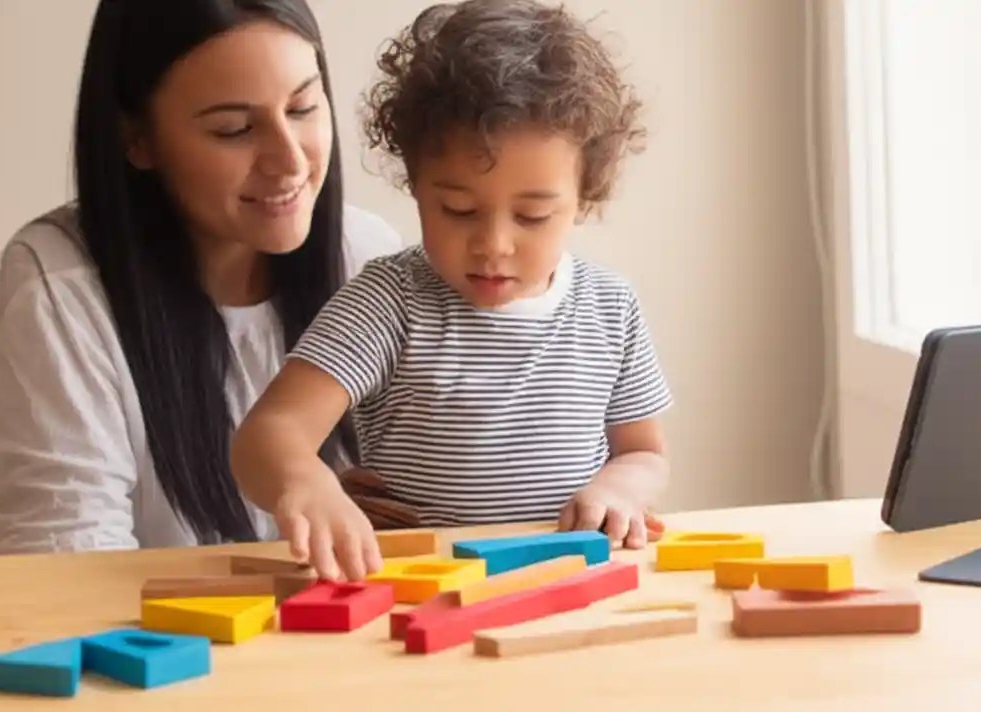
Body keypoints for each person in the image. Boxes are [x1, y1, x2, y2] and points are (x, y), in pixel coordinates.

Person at [231, 0, 673, 581]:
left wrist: (621, 488)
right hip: (421, 591)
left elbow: (644, 451)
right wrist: (307, 484)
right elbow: (267, 437)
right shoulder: (390, 301)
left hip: (568, 579)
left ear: (585, 196)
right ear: (414, 184)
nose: (493, 244)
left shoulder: (610, 309)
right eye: (458, 209)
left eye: (533, 216)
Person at [0, 0, 403, 555]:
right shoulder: (60, 287)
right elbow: (63, 560)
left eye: (302, 108)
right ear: (137, 138)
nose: (290, 161)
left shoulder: (368, 257)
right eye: (234, 129)